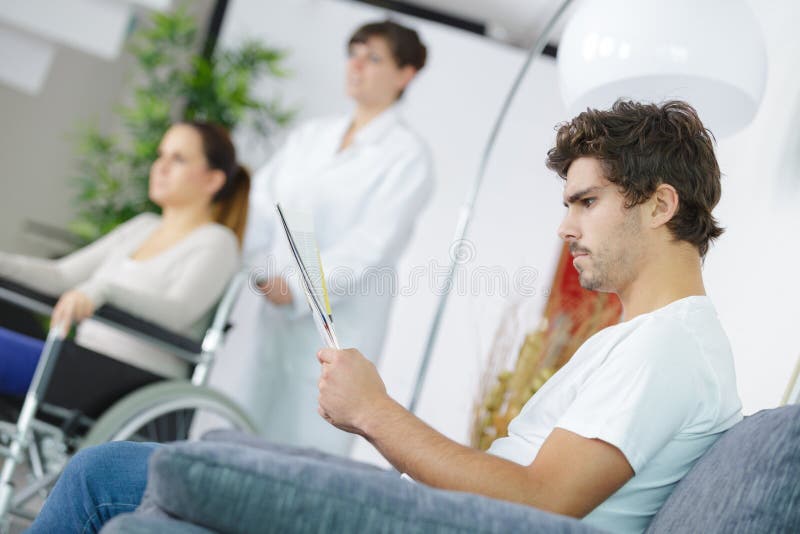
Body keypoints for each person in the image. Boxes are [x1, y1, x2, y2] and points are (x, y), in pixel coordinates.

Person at [29, 100, 742, 534]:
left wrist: (374, 411)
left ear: (659, 205)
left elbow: (543, 500)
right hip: (427, 515)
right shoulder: (643, 340)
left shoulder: (670, 348)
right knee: (140, 485)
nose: (565, 228)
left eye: (586, 202)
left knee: (102, 476)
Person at [209, 19, 433, 455]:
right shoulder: (311, 137)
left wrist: (293, 288)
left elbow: (371, 244)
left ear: (406, 74)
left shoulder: (407, 158)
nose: (357, 65)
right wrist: (255, 267)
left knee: (303, 451)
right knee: (241, 433)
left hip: (337, 327)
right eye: (354, 53)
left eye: (373, 58)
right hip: (267, 311)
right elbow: (260, 207)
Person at [0, 122, 249, 411]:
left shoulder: (217, 242)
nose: (160, 167)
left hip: (126, 380)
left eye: (178, 159)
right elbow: (61, 276)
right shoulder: (142, 227)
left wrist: (103, 291)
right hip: (79, 358)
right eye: (161, 155)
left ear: (212, 180)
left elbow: (176, 312)